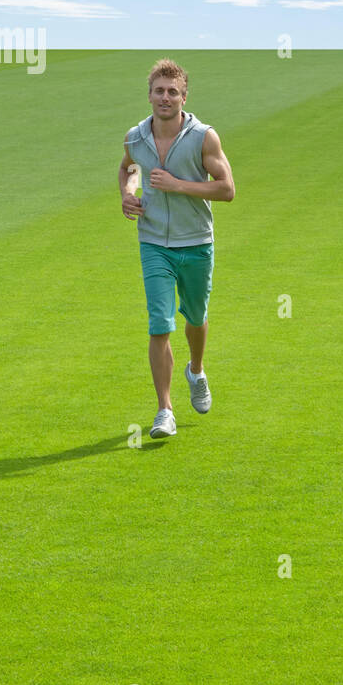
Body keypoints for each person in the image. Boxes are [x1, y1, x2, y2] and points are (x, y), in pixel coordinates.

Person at [119, 59, 235, 438]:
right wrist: (128, 194)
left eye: (172, 92)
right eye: (159, 91)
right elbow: (129, 168)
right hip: (153, 242)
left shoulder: (204, 137)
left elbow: (226, 189)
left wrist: (177, 185)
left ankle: (196, 370)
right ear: (149, 95)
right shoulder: (135, 137)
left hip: (196, 242)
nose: (165, 97)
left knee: (196, 319)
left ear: (184, 97)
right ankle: (164, 410)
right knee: (159, 325)